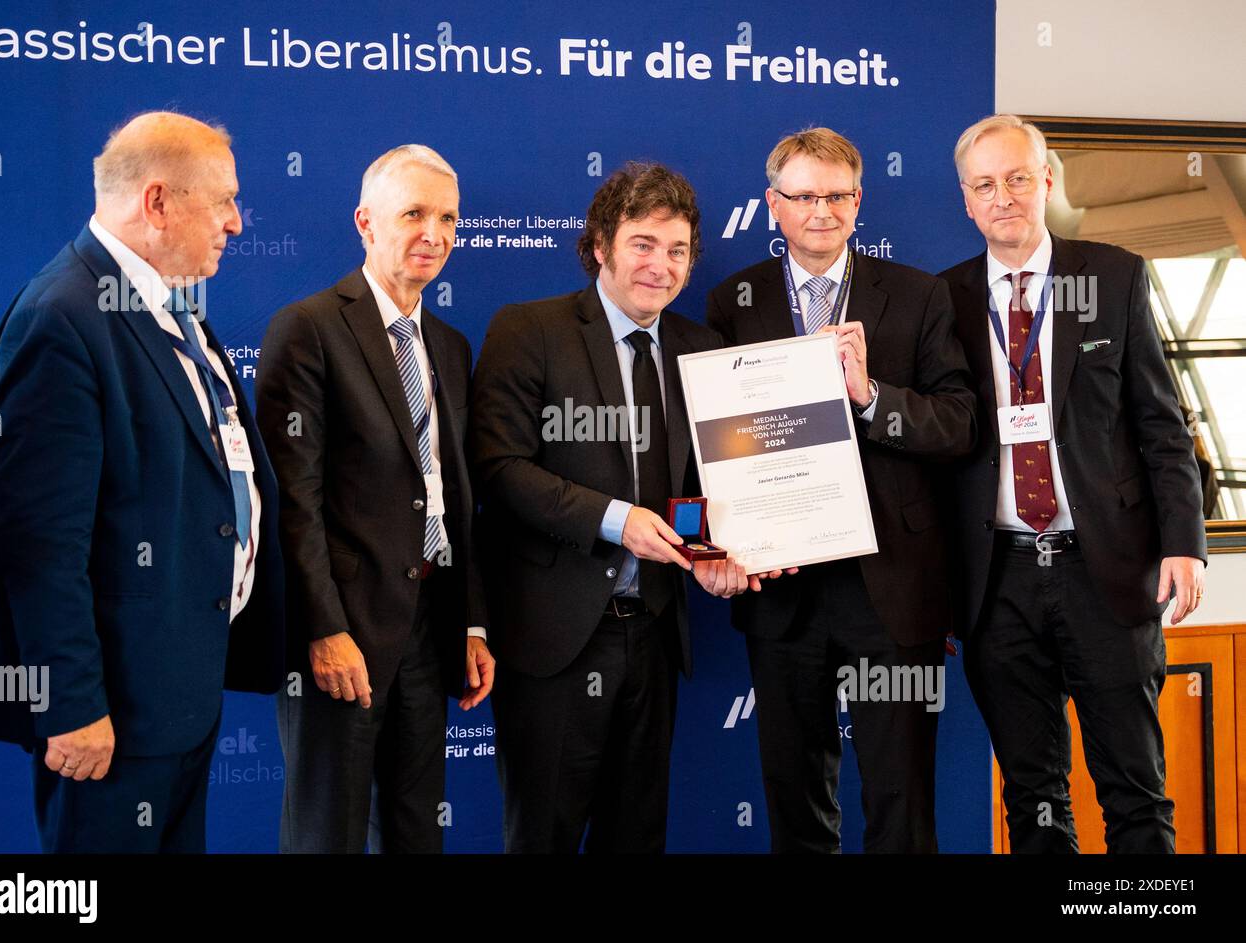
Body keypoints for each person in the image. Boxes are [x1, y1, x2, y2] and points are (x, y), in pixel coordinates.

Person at [0, 112, 285, 853]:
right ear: (159, 202)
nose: (237, 222)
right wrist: (70, 705)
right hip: (107, 714)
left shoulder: (171, 307)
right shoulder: (62, 317)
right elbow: (37, 546)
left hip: (176, 696)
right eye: (225, 199)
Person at [939, 114, 1207, 853]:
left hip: (1108, 573)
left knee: (1135, 791)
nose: (1004, 197)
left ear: (1047, 181)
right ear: (966, 199)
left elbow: (1163, 426)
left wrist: (1185, 543)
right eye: (985, 184)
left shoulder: (1112, 276)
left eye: (1018, 178)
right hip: (998, 585)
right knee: (1033, 799)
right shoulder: (945, 300)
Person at [705, 127, 978, 853]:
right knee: (794, 794)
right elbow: (707, 443)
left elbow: (959, 424)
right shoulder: (732, 301)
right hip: (781, 584)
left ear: (859, 200)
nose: (820, 210)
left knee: (900, 795)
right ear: (773, 205)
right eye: (802, 196)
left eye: (835, 195)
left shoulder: (920, 295)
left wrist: (870, 396)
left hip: (893, 588)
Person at [471, 162, 745, 852]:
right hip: (556, 638)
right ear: (600, 244)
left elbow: (694, 487)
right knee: (544, 833)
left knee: (637, 834)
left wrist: (707, 551)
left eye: (678, 249)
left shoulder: (699, 348)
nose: (662, 265)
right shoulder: (529, 329)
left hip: (653, 632)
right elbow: (499, 469)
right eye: (644, 244)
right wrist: (614, 518)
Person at [257, 145, 493, 854]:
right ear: (365, 222)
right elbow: (290, 500)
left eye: (448, 217)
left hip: (428, 628)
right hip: (343, 636)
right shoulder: (309, 327)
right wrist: (323, 628)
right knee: (326, 833)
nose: (435, 233)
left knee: (416, 831)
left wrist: (473, 623)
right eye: (414, 213)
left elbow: (454, 496)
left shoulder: (449, 344)